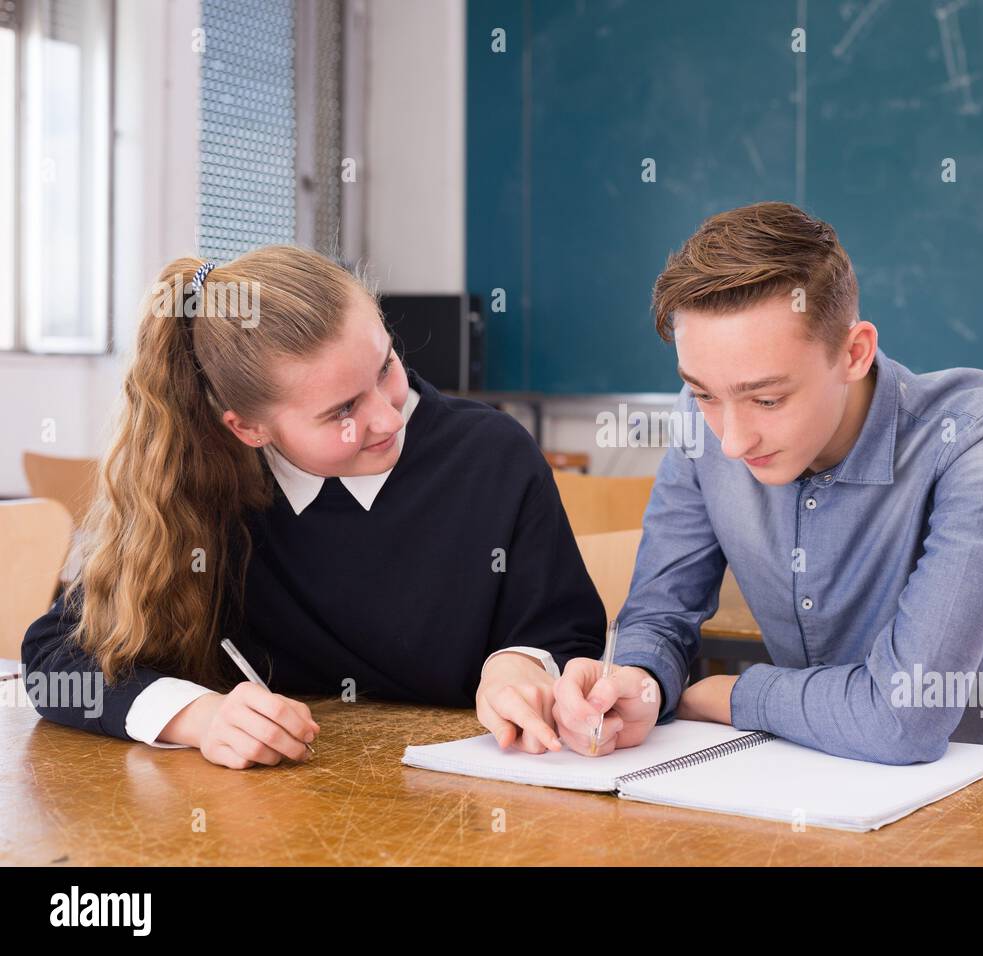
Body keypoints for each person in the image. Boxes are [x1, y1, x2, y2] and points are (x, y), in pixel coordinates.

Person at [549, 201, 983, 771]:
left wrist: (729, 694)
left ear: (854, 353)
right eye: (705, 394)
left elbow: (902, 721)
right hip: (808, 788)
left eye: (768, 399)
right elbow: (658, 618)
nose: (731, 441)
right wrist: (638, 683)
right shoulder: (698, 424)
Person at [22, 246, 604, 769]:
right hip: (274, 817)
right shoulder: (200, 489)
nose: (386, 416)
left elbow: (566, 628)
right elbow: (55, 665)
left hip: (466, 810)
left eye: (386, 367)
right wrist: (199, 717)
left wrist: (523, 663)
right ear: (248, 429)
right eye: (342, 409)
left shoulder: (493, 455)